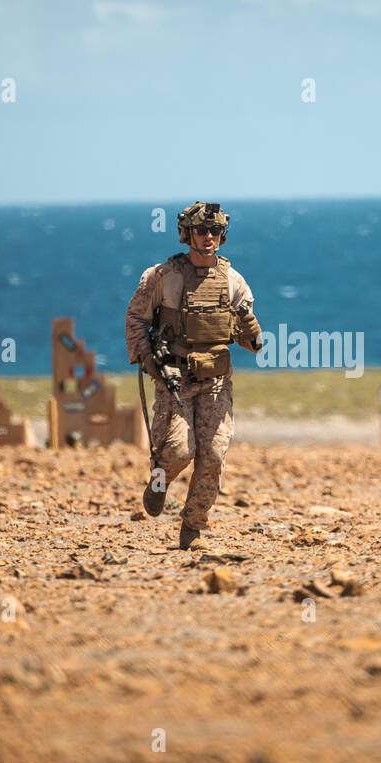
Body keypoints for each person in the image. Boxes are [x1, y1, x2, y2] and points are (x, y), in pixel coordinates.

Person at [125, 201, 263, 549]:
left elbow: (253, 343)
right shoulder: (162, 277)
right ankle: (160, 478)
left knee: (213, 455)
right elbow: (136, 319)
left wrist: (247, 322)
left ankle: (193, 528)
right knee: (180, 451)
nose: (208, 237)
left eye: (215, 231)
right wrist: (149, 359)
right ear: (188, 234)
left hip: (215, 383)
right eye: (201, 230)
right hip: (175, 378)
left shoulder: (233, 282)